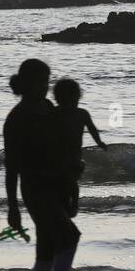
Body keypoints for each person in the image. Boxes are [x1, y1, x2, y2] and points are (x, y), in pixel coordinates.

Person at [3, 58, 80, 271]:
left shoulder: (48, 109)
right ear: (28, 83)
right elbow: (11, 167)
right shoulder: (16, 119)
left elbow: (62, 148)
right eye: (41, 82)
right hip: (36, 190)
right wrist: (12, 207)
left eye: (47, 82)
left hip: (57, 185)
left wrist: (72, 185)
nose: (45, 88)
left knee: (46, 251)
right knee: (70, 237)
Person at [52, 77, 107, 217]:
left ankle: (74, 202)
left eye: (75, 100)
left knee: (71, 182)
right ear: (58, 99)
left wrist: (99, 142)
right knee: (63, 184)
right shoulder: (54, 113)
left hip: (75, 157)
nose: (72, 104)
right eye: (68, 101)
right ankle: (65, 206)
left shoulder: (82, 113)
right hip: (57, 157)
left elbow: (92, 129)